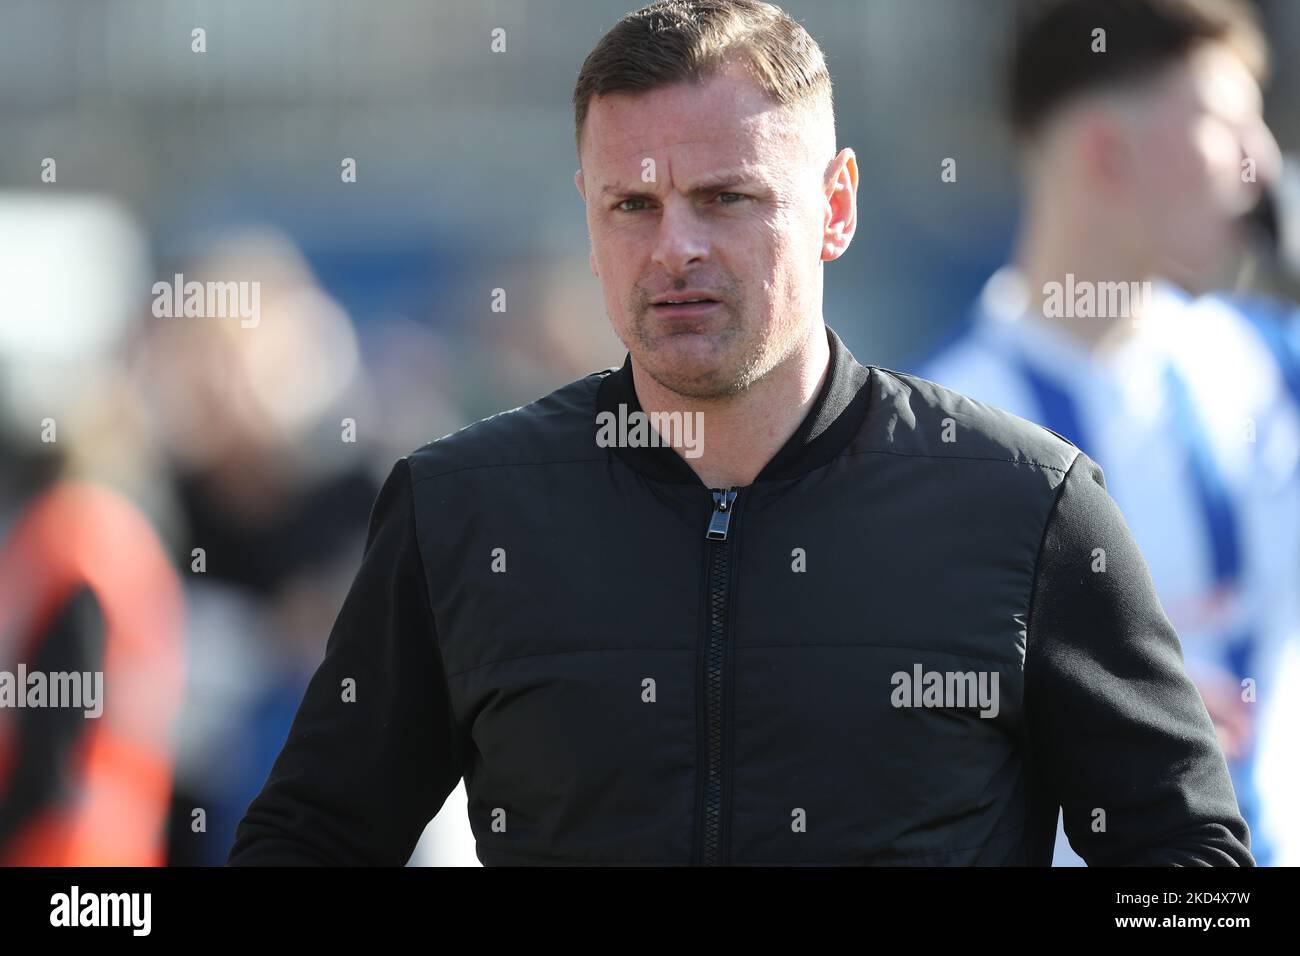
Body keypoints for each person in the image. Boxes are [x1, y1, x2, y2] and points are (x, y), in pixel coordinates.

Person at [228, 0, 1251, 866]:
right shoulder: (463, 507)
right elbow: (310, 834)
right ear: (588, 214)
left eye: (726, 199)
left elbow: (1191, 869)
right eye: (633, 203)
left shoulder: (1029, 506)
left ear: (833, 207)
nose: (675, 246)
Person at [915, 0, 1299, 864]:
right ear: (1104, 151)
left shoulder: (1272, 366)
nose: (1263, 162)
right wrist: (1105, 719)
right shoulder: (933, 431)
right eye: (1226, 119)